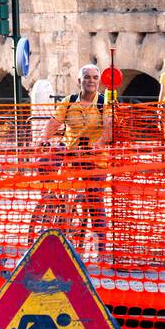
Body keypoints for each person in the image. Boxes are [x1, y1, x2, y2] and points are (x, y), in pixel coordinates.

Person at [43, 64, 113, 255]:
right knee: (52, 174)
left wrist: (98, 144)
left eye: (95, 77)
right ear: (79, 80)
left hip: (95, 159)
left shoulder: (103, 103)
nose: (91, 81)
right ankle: (55, 208)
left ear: (99, 81)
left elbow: (108, 128)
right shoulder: (69, 101)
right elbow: (54, 122)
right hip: (71, 155)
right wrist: (43, 139)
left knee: (95, 201)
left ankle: (102, 249)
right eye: (87, 77)